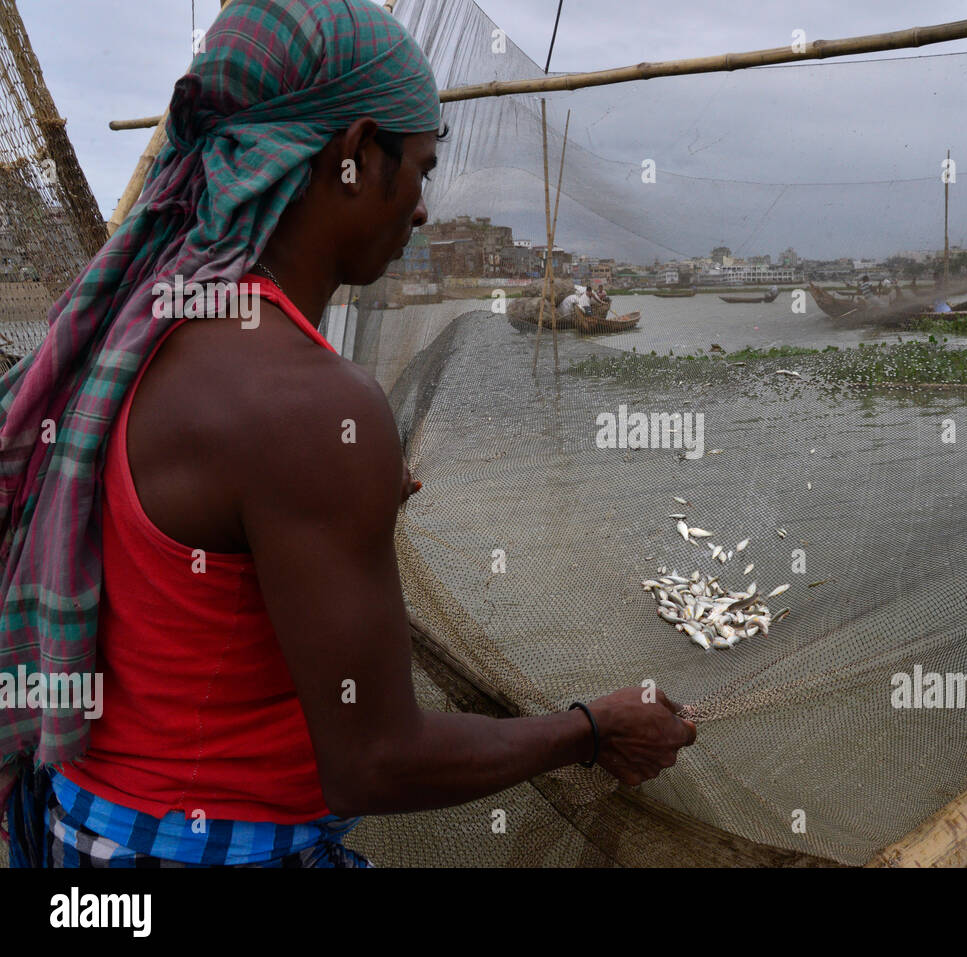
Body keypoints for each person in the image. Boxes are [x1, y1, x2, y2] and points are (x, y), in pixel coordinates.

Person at [0, 0, 693, 869]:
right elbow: (376, 761)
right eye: (420, 167)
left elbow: (194, 558)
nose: (423, 211)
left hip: (80, 837)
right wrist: (592, 729)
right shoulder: (303, 404)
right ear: (357, 155)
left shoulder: (131, 337)